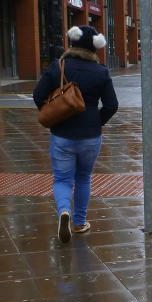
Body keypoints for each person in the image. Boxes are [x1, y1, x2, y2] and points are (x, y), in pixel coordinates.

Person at [33, 25, 118, 243]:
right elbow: (112, 105)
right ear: (95, 47)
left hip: (62, 133)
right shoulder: (101, 71)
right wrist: (96, 122)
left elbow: (38, 95)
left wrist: (56, 114)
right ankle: (79, 223)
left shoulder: (58, 66)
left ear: (72, 43)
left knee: (62, 178)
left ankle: (64, 211)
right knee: (83, 178)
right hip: (90, 136)